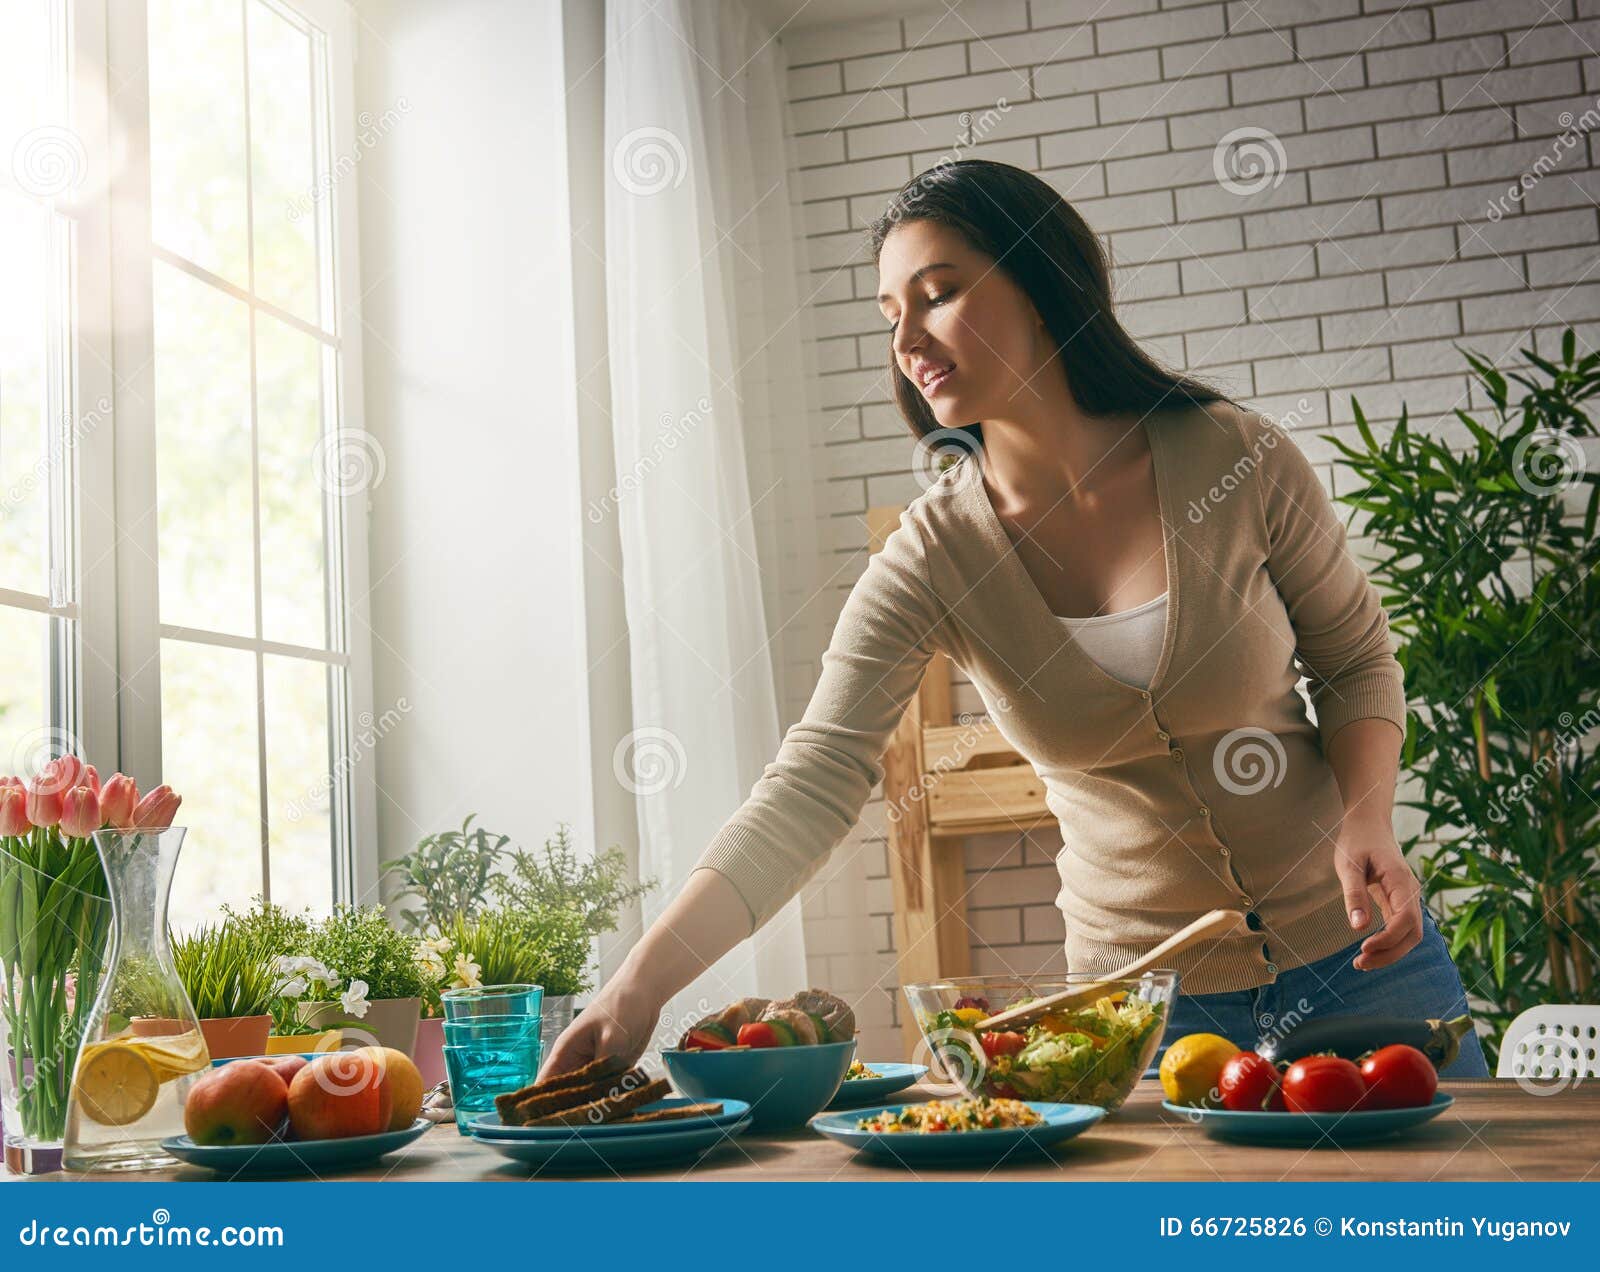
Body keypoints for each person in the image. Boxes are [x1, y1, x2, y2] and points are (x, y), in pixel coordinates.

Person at [542, 159, 1491, 1082]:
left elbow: (1357, 659)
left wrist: (1369, 821)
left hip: (1366, 958)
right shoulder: (931, 558)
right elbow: (812, 782)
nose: (908, 338)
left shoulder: (1236, 459)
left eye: (939, 293)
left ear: (1039, 289)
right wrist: (635, 989)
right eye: (891, 315)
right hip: (1141, 1015)